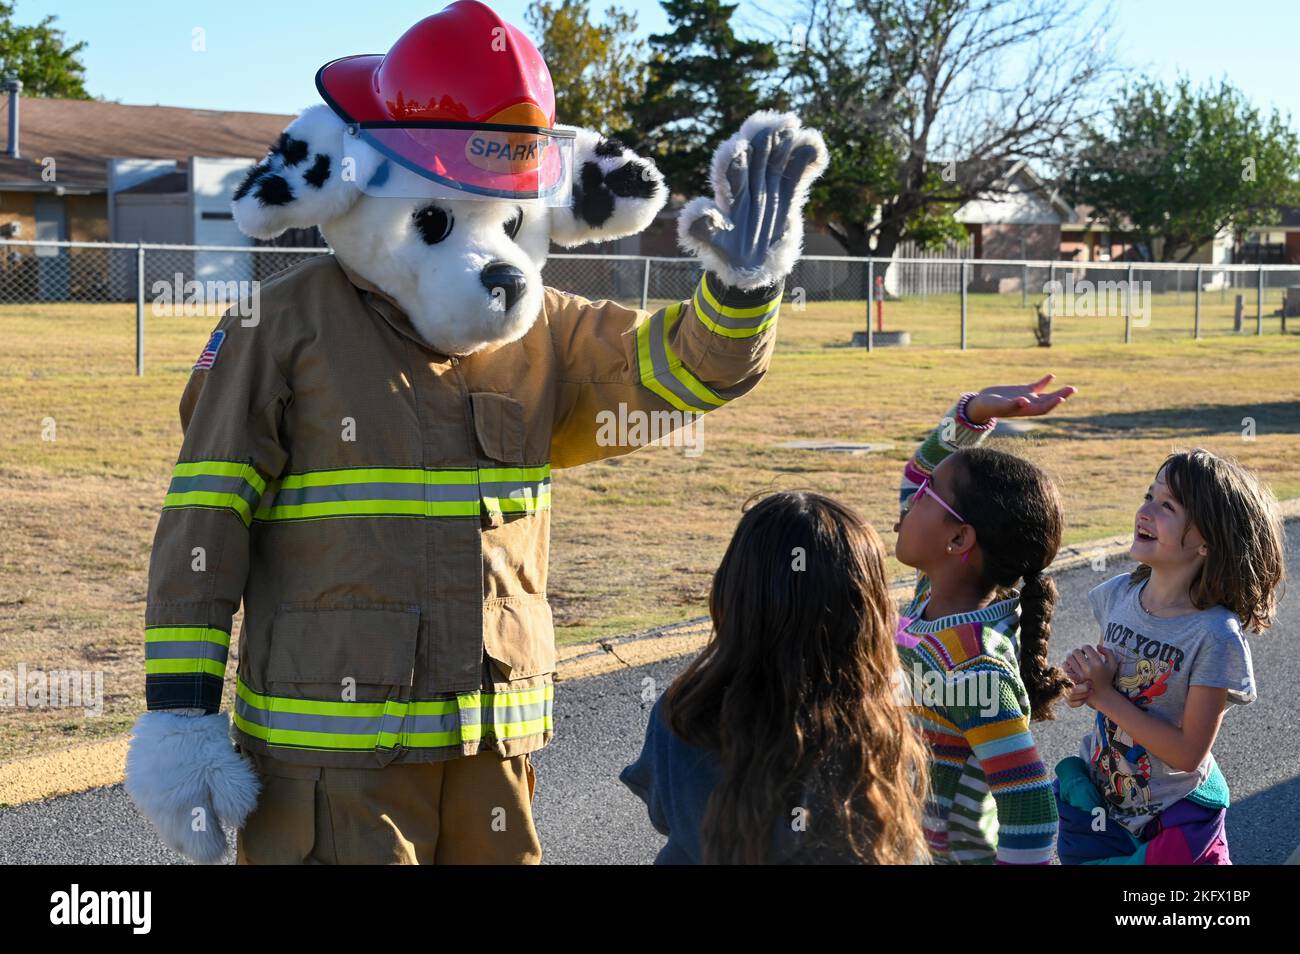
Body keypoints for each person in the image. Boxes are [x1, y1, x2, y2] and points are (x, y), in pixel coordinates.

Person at [621, 492, 929, 864]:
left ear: (729, 597)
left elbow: (663, 810)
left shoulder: (686, 711)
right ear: (870, 612)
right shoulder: (884, 714)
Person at [1057, 450, 1285, 865]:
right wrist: (1084, 685)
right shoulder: (1117, 595)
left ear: (1208, 542)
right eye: (1149, 495)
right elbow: (1110, 687)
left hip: (1175, 819)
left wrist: (1105, 696)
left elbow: (1187, 753)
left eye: (1168, 506)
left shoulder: (1214, 636)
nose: (1145, 510)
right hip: (1105, 804)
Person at [893, 376, 1076, 864]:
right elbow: (917, 474)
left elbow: (1032, 807)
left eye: (929, 495)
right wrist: (971, 415)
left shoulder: (977, 669)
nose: (910, 500)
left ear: (959, 541)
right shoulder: (936, 592)